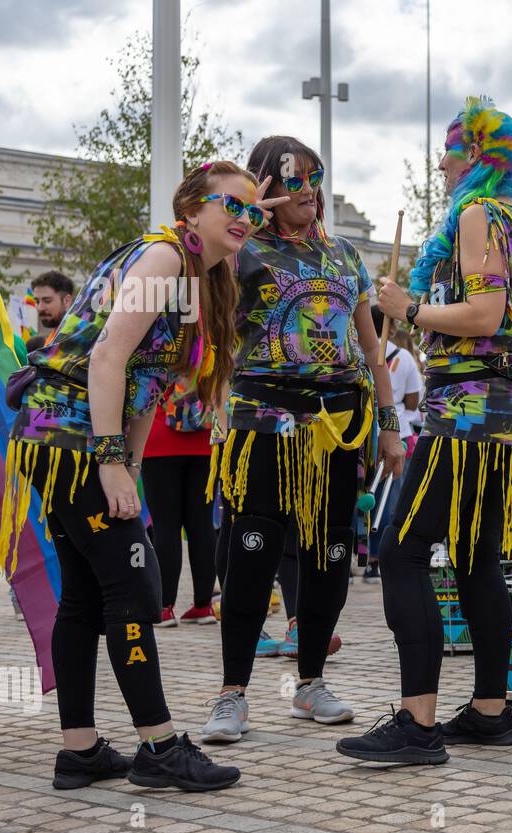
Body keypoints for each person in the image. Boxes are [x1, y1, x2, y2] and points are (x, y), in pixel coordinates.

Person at [0, 160, 265, 790]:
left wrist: (131, 469)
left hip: (66, 439)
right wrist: (113, 462)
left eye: (255, 212)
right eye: (234, 205)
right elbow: (109, 358)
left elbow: (146, 385)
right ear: (193, 206)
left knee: (89, 596)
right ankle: (160, 748)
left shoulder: (195, 277)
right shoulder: (166, 258)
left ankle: (81, 750)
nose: (246, 220)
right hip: (69, 436)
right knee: (136, 588)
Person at [336, 96, 512, 765]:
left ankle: (416, 722)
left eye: (453, 149)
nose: (442, 160)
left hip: (465, 413)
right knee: (475, 556)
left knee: (399, 550)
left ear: (480, 156)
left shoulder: (480, 215)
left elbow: (485, 314)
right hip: (497, 414)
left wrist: (411, 307)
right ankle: (489, 711)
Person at [203, 136, 405, 742]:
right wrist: (244, 219)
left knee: (330, 554)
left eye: (315, 179)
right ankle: (232, 695)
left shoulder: (344, 256)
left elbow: (371, 349)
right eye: (294, 181)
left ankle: (310, 684)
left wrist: (390, 425)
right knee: (254, 550)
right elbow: (193, 297)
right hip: (263, 419)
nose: (309, 192)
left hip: (339, 425)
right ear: (265, 185)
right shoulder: (237, 254)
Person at [145, 382, 218, 627]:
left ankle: (164, 607)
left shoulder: (158, 342)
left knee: (166, 527)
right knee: (202, 526)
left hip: (159, 442)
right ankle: (203, 605)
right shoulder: (214, 344)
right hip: (206, 440)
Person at [363, 324, 423, 579]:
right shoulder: (404, 356)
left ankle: (362, 555)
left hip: (360, 429)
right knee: (391, 500)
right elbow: (414, 400)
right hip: (396, 430)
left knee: (363, 497)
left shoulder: (356, 348)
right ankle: (383, 557)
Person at [29, 270, 75, 338]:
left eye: (47, 301)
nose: (40, 308)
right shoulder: (53, 337)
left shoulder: (81, 336)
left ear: (67, 301)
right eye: (37, 301)